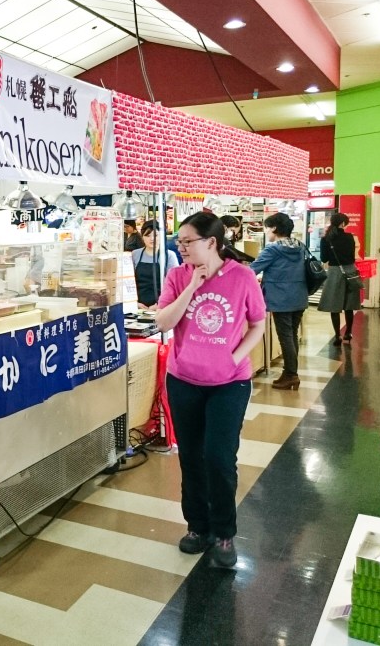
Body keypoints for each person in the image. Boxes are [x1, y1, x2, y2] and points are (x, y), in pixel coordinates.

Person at [154, 212, 266, 569]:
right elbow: (163, 322)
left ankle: (223, 533)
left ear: (212, 242)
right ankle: (197, 528)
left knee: (218, 458)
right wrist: (192, 286)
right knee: (190, 456)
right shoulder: (176, 275)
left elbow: (258, 324)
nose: (181, 247)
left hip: (229, 384)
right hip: (184, 379)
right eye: (180, 241)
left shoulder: (242, 276)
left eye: (188, 241)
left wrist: (233, 358)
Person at [250, 213, 308, 390]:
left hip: (280, 298)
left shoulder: (272, 249)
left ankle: (291, 374)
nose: (266, 231)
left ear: (274, 228)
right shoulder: (300, 246)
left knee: (286, 337)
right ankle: (290, 372)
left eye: (267, 228)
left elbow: (252, 269)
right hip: (299, 296)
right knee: (291, 335)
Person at [318, 212, 361, 346]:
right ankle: (348, 332)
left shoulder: (325, 239)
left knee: (334, 305)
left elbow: (324, 258)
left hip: (334, 272)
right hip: (349, 271)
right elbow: (352, 258)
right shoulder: (349, 237)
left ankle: (337, 335)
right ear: (343, 224)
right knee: (349, 304)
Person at [131, 221, 179, 309]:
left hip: (162, 307)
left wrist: (161, 304)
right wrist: (134, 303)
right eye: (147, 235)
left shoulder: (169, 255)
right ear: (142, 237)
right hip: (139, 307)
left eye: (156, 235)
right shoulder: (135, 254)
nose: (152, 239)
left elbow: (175, 285)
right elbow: (129, 282)